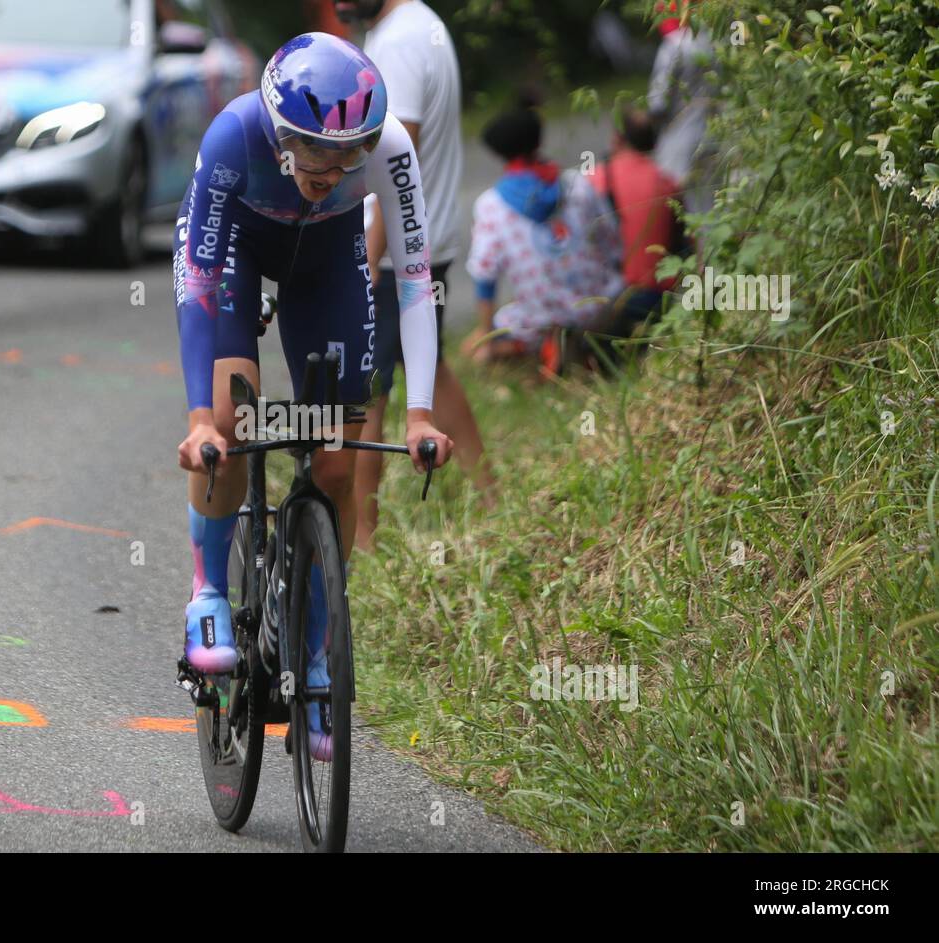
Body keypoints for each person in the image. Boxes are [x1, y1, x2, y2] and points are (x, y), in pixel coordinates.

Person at [173, 33, 452, 760]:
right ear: (278, 130)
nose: (333, 168)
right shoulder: (234, 136)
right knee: (233, 420)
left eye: (350, 152)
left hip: (328, 256)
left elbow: (416, 276)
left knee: (336, 459)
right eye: (315, 150)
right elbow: (200, 282)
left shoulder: (389, 148)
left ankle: (318, 660)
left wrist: (420, 410)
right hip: (233, 248)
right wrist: (202, 419)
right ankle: (208, 592)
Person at [332, 0, 490, 551]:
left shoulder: (397, 41)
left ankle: (362, 536)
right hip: (429, 237)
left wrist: (366, 260)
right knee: (429, 363)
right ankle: (492, 499)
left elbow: (397, 161)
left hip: (398, 249)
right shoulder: (422, 24)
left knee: (368, 389)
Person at [460, 105, 623, 369]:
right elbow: (613, 245)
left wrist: (486, 336)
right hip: (600, 305)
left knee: (471, 347)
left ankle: (541, 346)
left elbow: (485, 277)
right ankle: (577, 344)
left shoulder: (491, 205)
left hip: (540, 317)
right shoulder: (577, 183)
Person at [589, 108, 682, 352]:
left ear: (617, 139)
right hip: (660, 300)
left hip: (611, 299)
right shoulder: (667, 181)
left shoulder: (595, 179)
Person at [648, 1, 717, 217]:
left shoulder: (672, 45)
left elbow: (657, 104)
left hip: (679, 146)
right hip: (713, 136)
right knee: (712, 205)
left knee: (688, 213)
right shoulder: (711, 41)